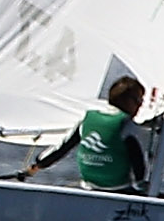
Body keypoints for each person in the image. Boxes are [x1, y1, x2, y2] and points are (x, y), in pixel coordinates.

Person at [24, 75, 155, 194]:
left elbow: (62, 147)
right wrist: (142, 188)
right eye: (138, 99)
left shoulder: (88, 119)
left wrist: (37, 165)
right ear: (125, 100)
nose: (140, 105)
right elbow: (138, 161)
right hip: (119, 191)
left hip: (89, 189)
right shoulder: (127, 124)